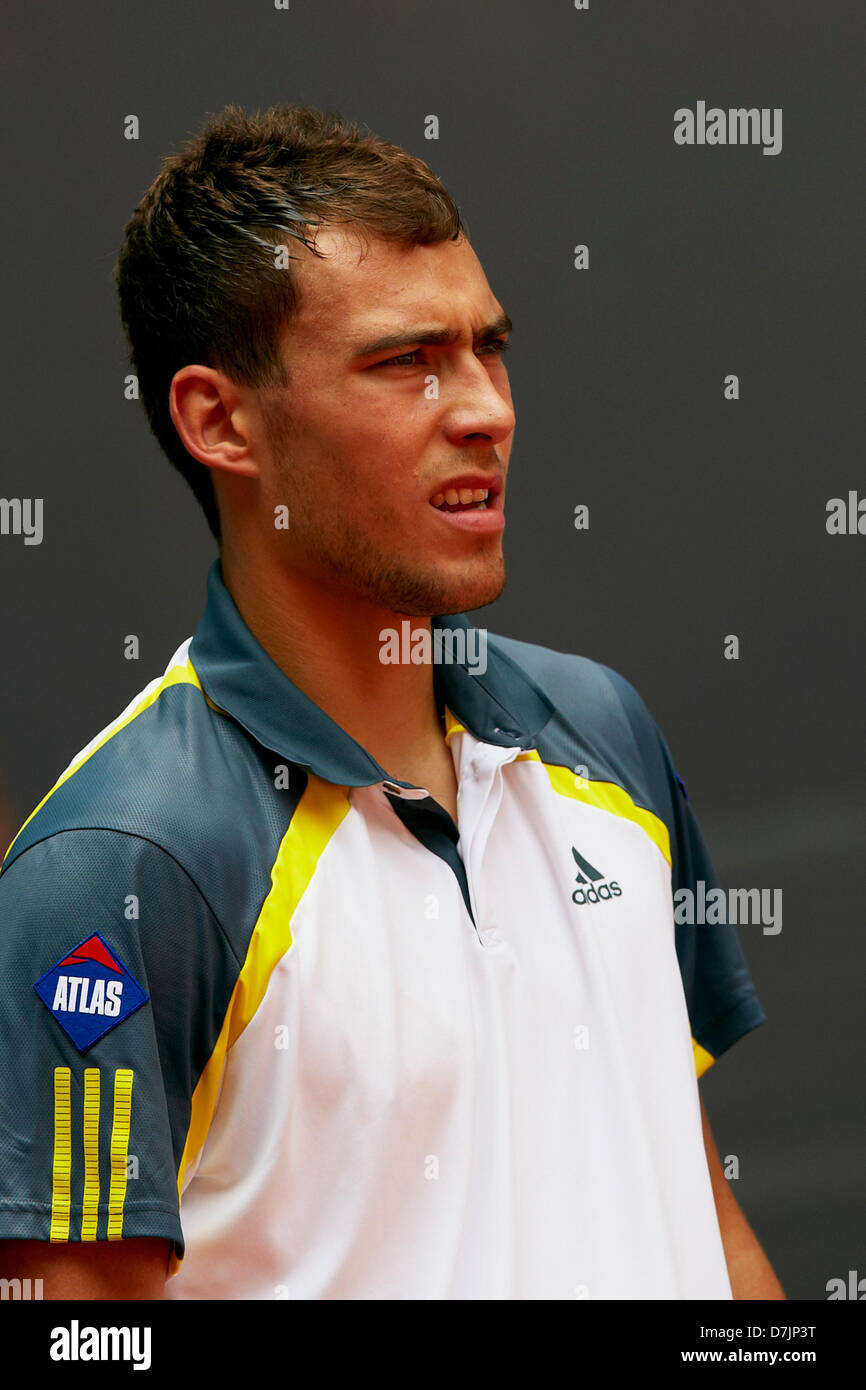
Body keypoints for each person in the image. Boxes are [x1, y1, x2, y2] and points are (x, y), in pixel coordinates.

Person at [0, 103, 784, 1300]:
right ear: (219, 420)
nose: (484, 409)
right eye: (405, 362)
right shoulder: (113, 865)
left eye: (487, 348)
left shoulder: (603, 731)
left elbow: (694, 1215)